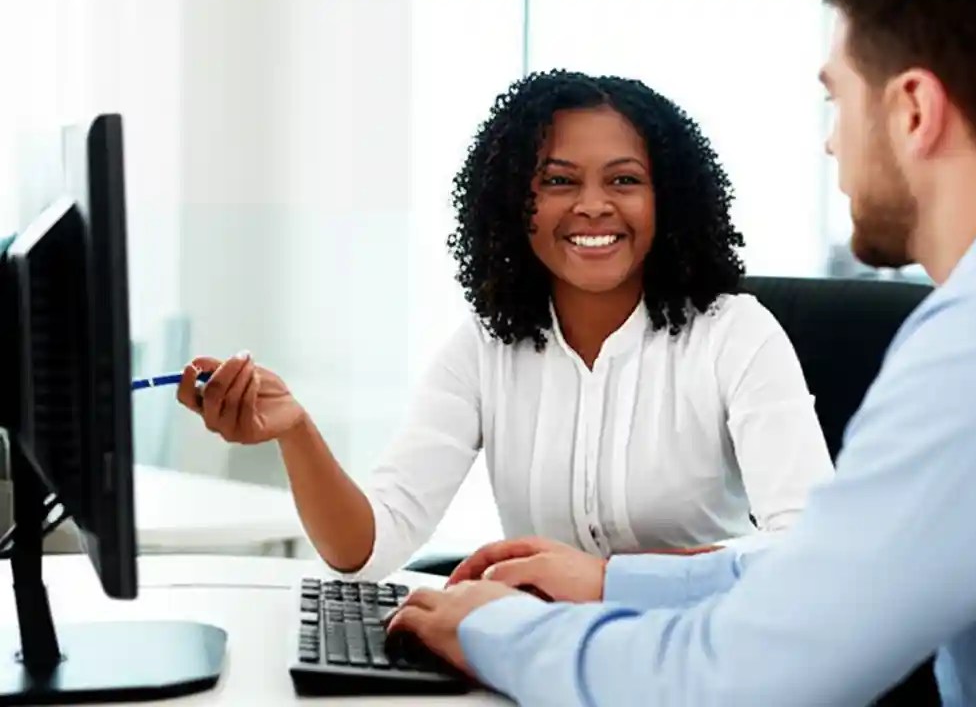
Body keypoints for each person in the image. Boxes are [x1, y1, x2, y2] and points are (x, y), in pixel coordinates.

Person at [381, 0, 976, 704]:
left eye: (835, 98)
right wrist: (612, 586)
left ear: (914, 109)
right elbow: (826, 576)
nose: (828, 142)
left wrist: (492, 629)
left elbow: (747, 680)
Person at [178, 71, 834, 580]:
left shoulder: (734, 334)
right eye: (558, 181)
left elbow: (809, 551)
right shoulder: (484, 348)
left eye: (625, 179)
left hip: (709, 659)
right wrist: (297, 432)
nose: (593, 206)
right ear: (514, 204)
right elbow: (369, 549)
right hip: (549, 662)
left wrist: (607, 580)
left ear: (669, 200)